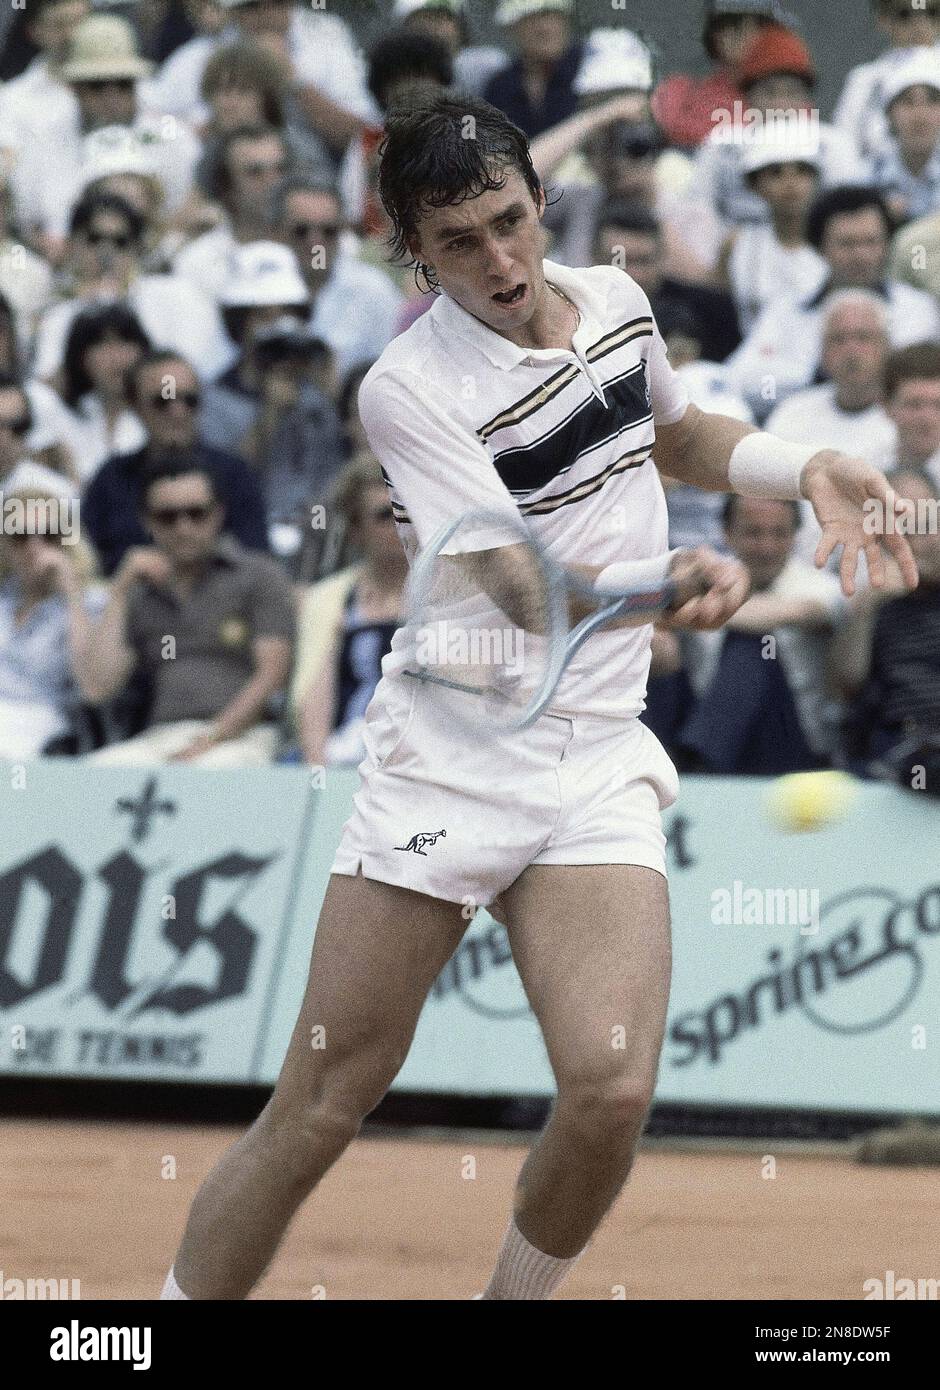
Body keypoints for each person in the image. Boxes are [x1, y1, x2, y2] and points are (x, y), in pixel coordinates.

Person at [157, 91, 916, 1303]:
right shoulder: (406, 389)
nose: (499, 262)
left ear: (540, 200)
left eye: (510, 222)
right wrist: (658, 587)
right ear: (413, 249)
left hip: (593, 757)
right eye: (459, 242)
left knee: (611, 1090)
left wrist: (803, 462)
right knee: (322, 1101)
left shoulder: (616, 303)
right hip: (450, 757)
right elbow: (521, 588)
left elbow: (676, 436)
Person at [84, 452, 295, 766]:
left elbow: (272, 675)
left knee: (212, 773)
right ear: (147, 521)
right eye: (167, 516)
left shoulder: (259, 575)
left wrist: (211, 739)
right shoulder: (141, 591)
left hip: (243, 737)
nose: (183, 527)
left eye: (196, 513)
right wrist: (120, 588)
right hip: (159, 738)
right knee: (94, 775)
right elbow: (97, 686)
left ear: (219, 513)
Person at [727, 185, 940, 421]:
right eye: (847, 243)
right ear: (819, 247)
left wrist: (816, 373)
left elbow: (907, 383)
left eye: (871, 242)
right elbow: (742, 379)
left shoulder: (915, 307)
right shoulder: (786, 310)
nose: (861, 255)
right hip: (800, 429)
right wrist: (815, 376)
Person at [672, 494, 848, 773]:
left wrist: (689, 609)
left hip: (796, 745)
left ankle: (697, 765)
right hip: (711, 721)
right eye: (754, 533)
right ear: (727, 534)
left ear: (795, 536)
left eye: (779, 534)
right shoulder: (705, 583)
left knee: (755, 645)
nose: (767, 547)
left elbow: (805, 612)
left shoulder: (822, 588)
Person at [686, 23, 868, 268]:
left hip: (815, 258)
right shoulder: (721, 145)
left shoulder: (832, 144)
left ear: (806, 98)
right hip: (736, 261)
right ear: (748, 98)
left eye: (791, 93)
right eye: (770, 93)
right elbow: (699, 212)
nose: (781, 104)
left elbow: (848, 215)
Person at [81, 348, 268, 576]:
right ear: (134, 405)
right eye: (163, 401)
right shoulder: (111, 479)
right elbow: (86, 560)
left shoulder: (234, 474)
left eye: (189, 400)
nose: (177, 412)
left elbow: (256, 557)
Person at [32, 190, 232, 384]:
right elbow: (48, 390)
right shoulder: (59, 317)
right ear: (74, 245)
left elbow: (201, 373)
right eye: (95, 239)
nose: (106, 252)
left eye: (120, 242)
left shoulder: (177, 295)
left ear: (136, 248)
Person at [765, 290, 899, 566]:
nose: (852, 350)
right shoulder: (790, 415)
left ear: (887, 348)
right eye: (839, 339)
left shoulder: (910, 416)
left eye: (864, 337)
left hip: (883, 565)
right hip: (800, 568)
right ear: (823, 353)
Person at [292, 452, 408, 767]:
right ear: (355, 530)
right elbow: (312, 690)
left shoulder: (449, 591)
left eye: (407, 510)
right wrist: (319, 772)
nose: (401, 523)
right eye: (386, 515)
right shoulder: (328, 598)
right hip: (344, 754)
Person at [830, 466, 940, 775]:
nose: (913, 537)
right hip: (902, 744)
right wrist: (867, 606)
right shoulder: (874, 599)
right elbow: (847, 685)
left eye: (923, 522)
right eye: (900, 524)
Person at [0, 474, 107, 760]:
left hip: (44, 722)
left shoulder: (92, 601)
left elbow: (91, 684)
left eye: (49, 535)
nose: (35, 547)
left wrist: (70, 591)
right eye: (21, 536)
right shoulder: (3, 599)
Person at [271, 175, 404, 379]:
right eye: (301, 231)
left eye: (328, 231)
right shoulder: (258, 288)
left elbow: (393, 376)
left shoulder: (375, 292)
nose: (315, 243)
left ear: (342, 231)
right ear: (277, 232)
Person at [591, 199, 741, 363]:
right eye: (621, 261)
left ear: (661, 258)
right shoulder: (573, 312)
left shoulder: (713, 312)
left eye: (644, 261)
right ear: (595, 259)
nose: (635, 274)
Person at [715, 127, 827, 332]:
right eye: (776, 173)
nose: (790, 183)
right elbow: (720, 314)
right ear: (754, 184)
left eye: (801, 171)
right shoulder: (736, 244)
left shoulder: (834, 244)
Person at [652, 0, 795, 151]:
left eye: (757, 25)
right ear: (714, 33)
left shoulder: (791, 94)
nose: (741, 35)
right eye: (731, 24)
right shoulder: (680, 91)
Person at [174, 124, 292, 300]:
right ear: (226, 187)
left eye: (280, 169)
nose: (274, 182)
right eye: (254, 172)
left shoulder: (320, 244)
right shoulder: (197, 262)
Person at [834, 0, 940, 163]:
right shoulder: (864, 80)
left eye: (931, 13)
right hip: (877, 181)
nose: (920, 24)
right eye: (905, 14)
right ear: (883, 19)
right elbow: (844, 145)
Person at [483, 0, 582, 139]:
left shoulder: (592, 70)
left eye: (552, 16)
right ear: (513, 27)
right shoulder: (500, 88)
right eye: (532, 19)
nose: (545, 29)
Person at [869, 52, 940, 223]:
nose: (920, 116)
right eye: (908, 102)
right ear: (889, 114)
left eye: (931, 102)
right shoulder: (865, 178)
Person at [392, 0, 505, 96]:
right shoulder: (394, 77)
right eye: (423, 20)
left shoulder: (489, 64)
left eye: (441, 18)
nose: (432, 28)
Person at [873, 341, 940, 487]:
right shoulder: (868, 470)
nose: (927, 418)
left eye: (938, 405)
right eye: (914, 405)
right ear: (886, 406)